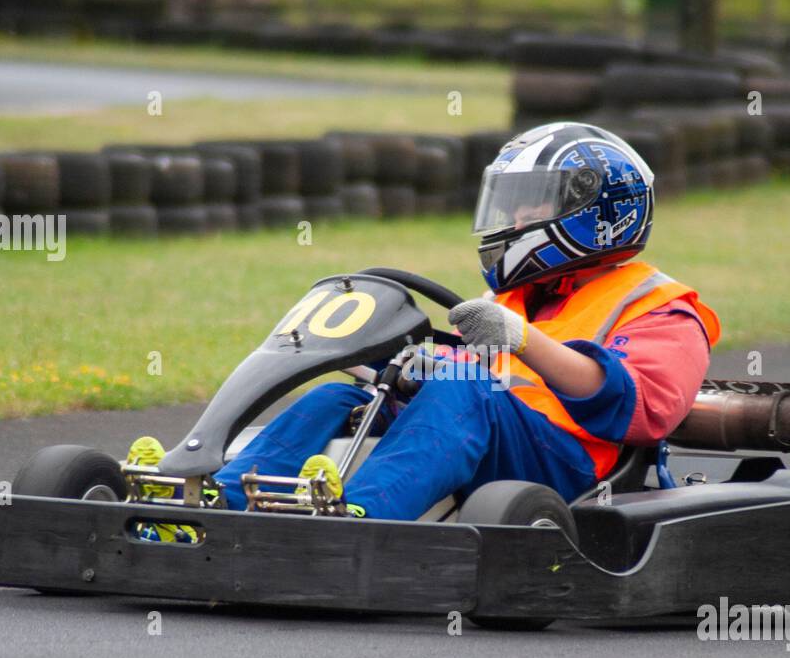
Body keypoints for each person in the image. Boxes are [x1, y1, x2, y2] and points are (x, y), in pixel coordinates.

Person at [208, 122, 721, 519]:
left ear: (594, 214)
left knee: (467, 388)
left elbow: (643, 410)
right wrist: (395, 365)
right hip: (496, 436)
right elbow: (460, 379)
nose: (514, 221)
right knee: (338, 400)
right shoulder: (519, 297)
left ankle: (360, 517)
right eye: (511, 205)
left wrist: (522, 341)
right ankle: (215, 503)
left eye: (528, 206)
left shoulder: (661, 306)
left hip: (570, 465)